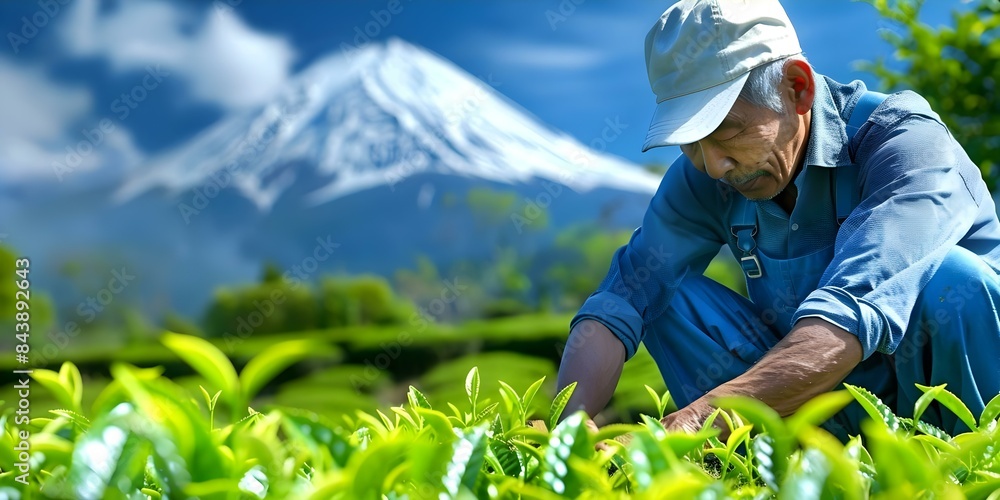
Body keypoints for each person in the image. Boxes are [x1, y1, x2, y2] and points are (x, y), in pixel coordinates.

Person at [555, 0, 1000, 439]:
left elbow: (849, 315)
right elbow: (622, 298)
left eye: (728, 131)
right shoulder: (707, 174)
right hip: (815, 401)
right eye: (689, 142)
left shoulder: (903, 142)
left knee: (953, 280)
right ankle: (770, 473)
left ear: (797, 88)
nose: (713, 166)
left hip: (937, 398)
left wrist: (690, 424)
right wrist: (567, 433)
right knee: (661, 291)